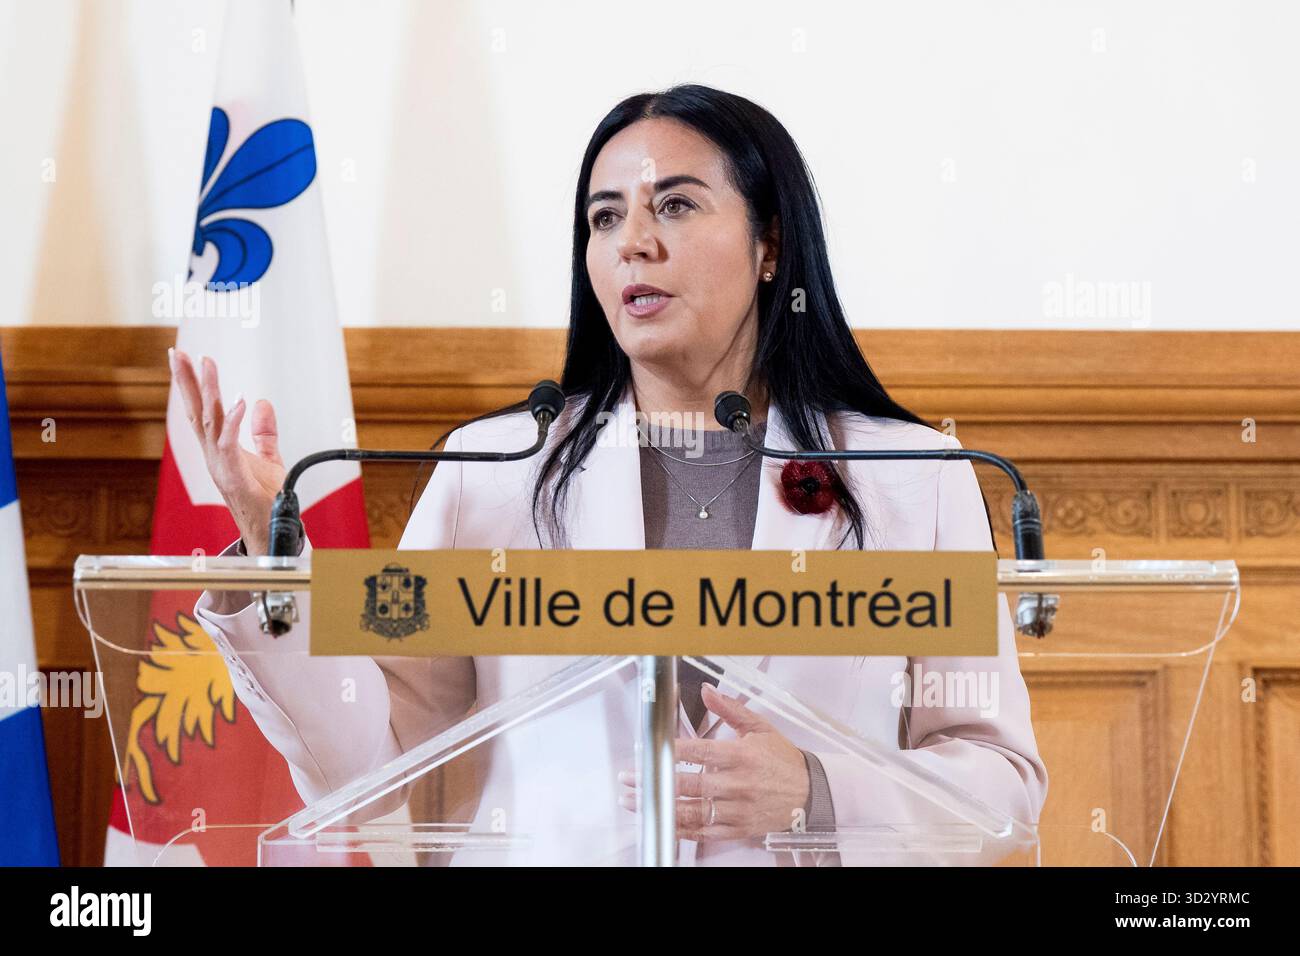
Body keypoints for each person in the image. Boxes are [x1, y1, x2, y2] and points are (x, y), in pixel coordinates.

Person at [176, 83, 1047, 866]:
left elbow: (1000, 779)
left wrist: (819, 793)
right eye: (604, 217)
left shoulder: (911, 478)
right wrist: (269, 555)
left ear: (770, 245)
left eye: (674, 206)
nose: (633, 243)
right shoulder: (490, 475)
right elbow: (367, 774)